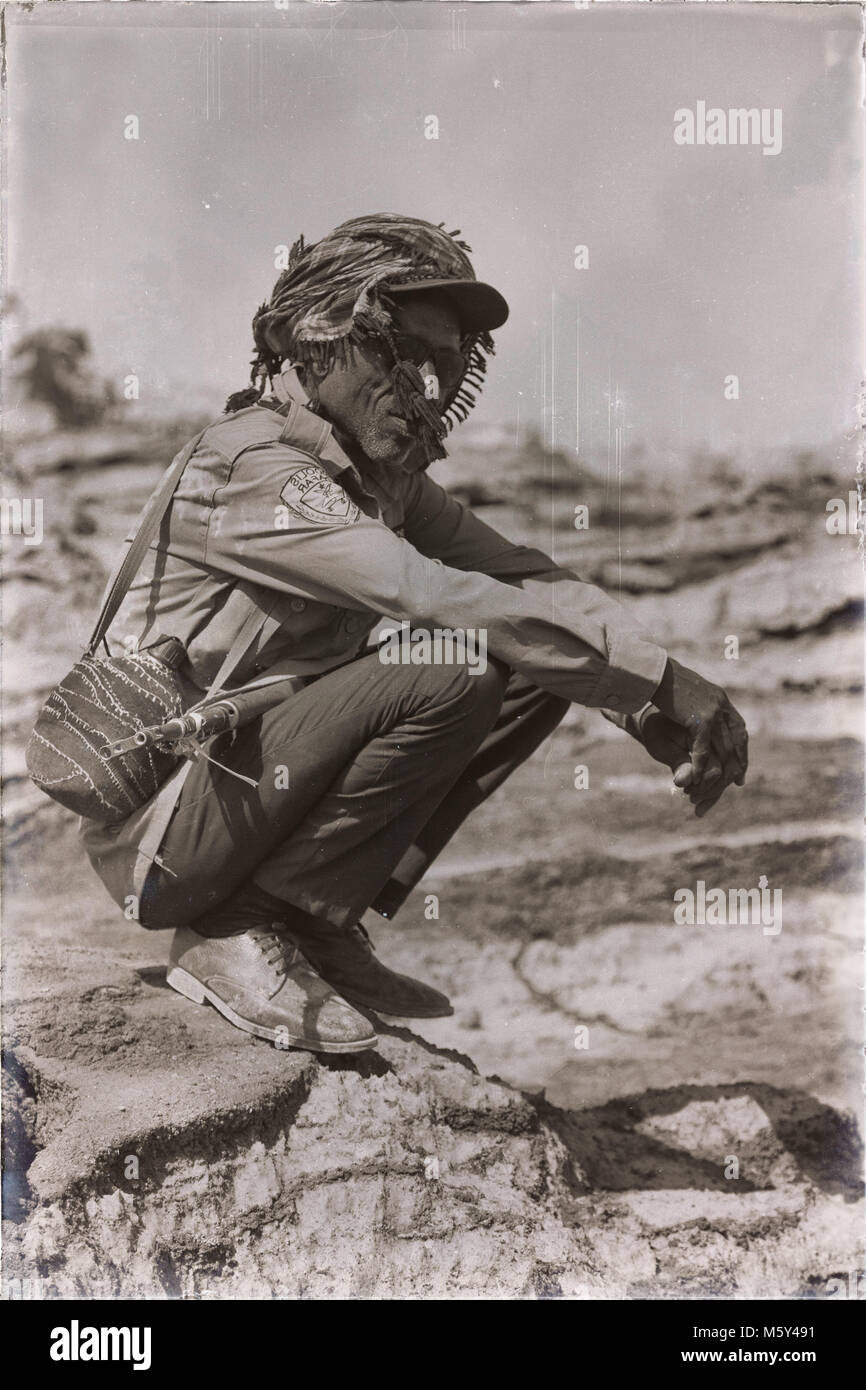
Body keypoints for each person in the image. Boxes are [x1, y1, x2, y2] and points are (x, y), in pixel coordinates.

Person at [81, 214, 748, 1055]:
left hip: (231, 795)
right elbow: (429, 593)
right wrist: (661, 684)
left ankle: (314, 918)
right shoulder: (259, 465)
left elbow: (523, 578)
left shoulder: (371, 475)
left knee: (538, 655)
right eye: (398, 352)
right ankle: (240, 926)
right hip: (165, 833)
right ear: (314, 337)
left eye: (446, 362)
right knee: (455, 667)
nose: (426, 388)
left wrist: (644, 699)